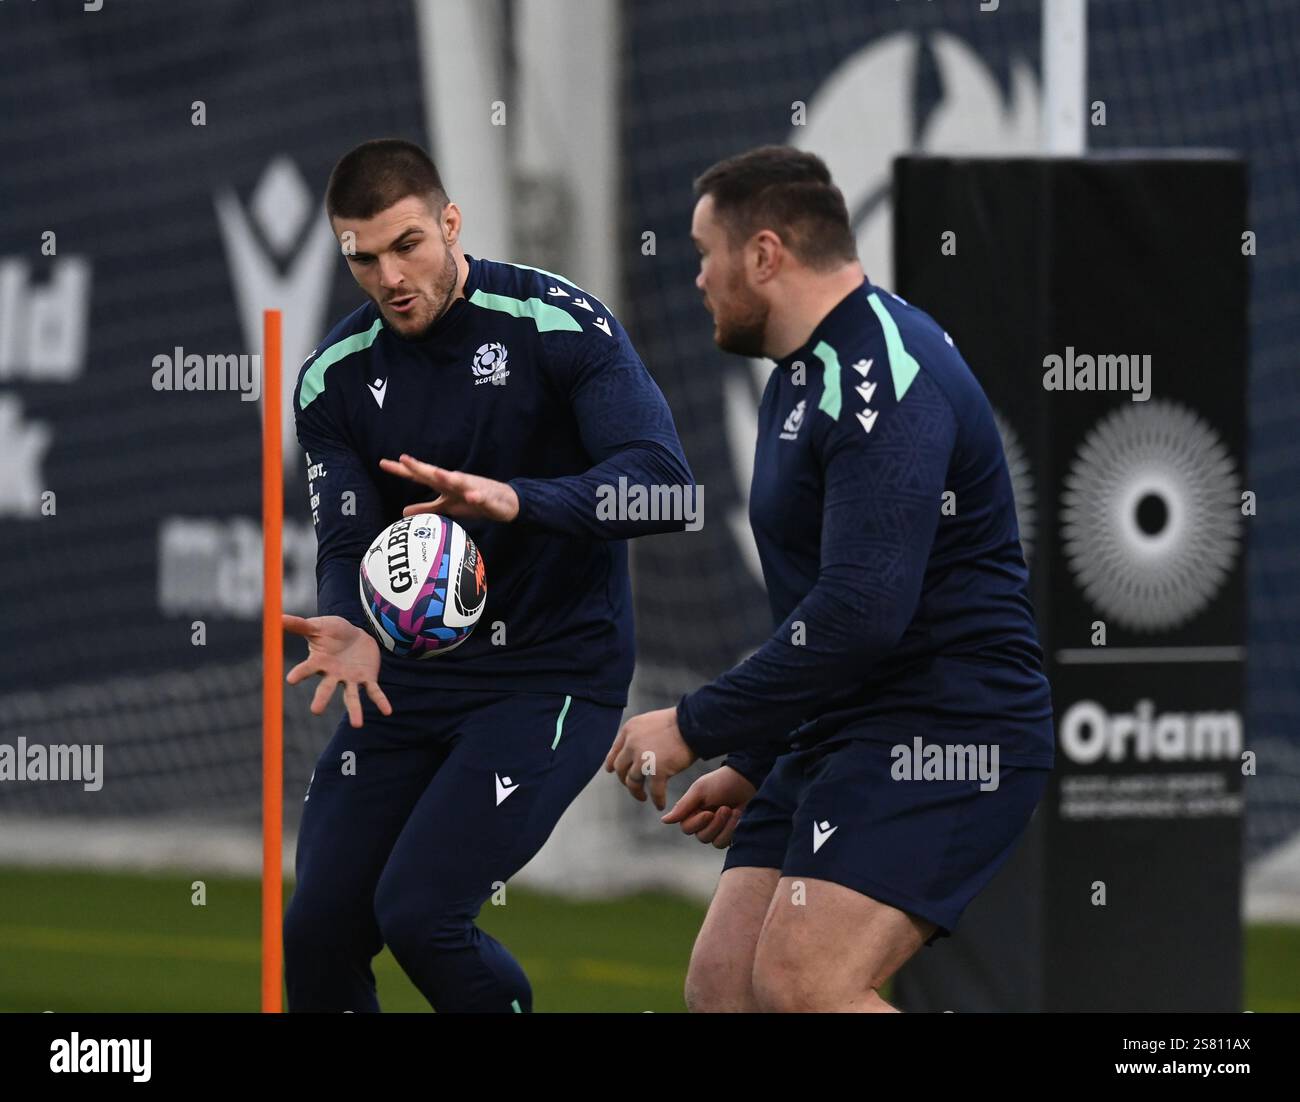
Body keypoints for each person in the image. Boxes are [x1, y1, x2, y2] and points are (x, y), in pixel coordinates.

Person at [606, 145, 1054, 1012]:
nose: (697, 278)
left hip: (949, 723)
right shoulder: (796, 377)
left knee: (804, 985)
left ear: (765, 254)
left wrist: (697, 724)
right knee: (725, 988)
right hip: (842, 729)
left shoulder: (884, 372)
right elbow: (818, 612)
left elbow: (860, 613)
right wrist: (759, 757)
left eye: (706, 253)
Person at [283, 138, 693, 1012]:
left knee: (421, 914)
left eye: (407, 245)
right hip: (410, 683)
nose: (389, 276)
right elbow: (345, 540)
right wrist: (344, 619)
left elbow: (666, 491)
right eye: (362, 258)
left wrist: (519, 501)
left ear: (451, 224)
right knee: (315, 932)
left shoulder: (558, 323)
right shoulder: (331, 382)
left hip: (551, 677)